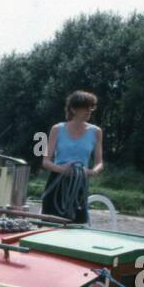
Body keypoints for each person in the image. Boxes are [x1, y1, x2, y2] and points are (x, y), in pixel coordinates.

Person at [40, 90, 104, 225]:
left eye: (91, 107)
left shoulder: (96, 132)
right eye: (85, 107)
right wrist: (61, 169)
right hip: (57, 181)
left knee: (77, 225)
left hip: (79, 182)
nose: (89, 110)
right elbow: (45, 161)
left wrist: (91, 171)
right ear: (74, 109)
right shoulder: (57, 129)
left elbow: (99, 163)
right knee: (50, 226)